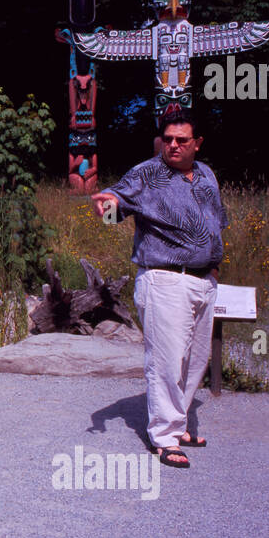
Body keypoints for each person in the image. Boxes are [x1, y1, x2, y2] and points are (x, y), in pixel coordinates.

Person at [92, 110, 226, 469]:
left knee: (195, 360)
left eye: (182, 140)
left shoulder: (207, 174)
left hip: (203, 281)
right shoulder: (147, 173)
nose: (174, 146)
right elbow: (114, 206)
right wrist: (106, 206)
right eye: (168, 139)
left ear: (197, 143)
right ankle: (165, 437)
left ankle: (178, 423)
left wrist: (213, 265)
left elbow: (216, 222)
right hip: (165, 278)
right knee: (167, 361)